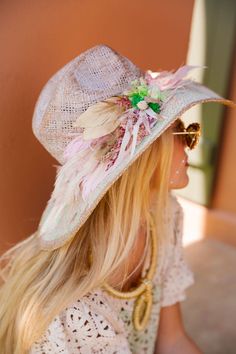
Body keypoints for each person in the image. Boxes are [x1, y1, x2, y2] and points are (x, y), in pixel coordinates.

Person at [0, 44, 235, 354]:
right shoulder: (72, 316)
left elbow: (172, 339)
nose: (193, 139)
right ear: (141, 160)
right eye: (178, 129)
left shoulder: (164, 213)